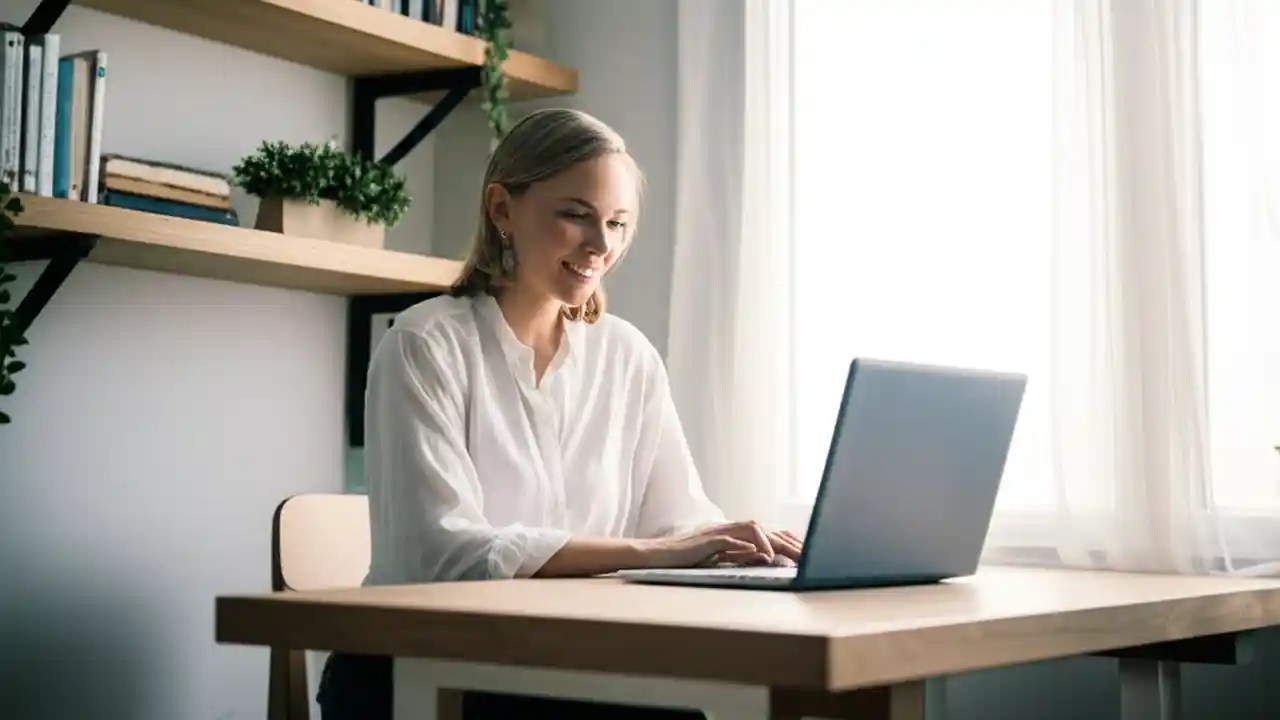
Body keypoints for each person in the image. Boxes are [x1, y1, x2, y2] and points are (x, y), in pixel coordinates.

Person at [317, 108, 803, 719]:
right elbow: (443, 555)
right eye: (576, 215)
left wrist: (735, 550)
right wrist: (650, 555)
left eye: (618, 224)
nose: (602, 245)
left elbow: (677, 524)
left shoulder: (628, 357)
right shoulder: (425, 344)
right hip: (415, 672)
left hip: (562, 670)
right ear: (502, 210)